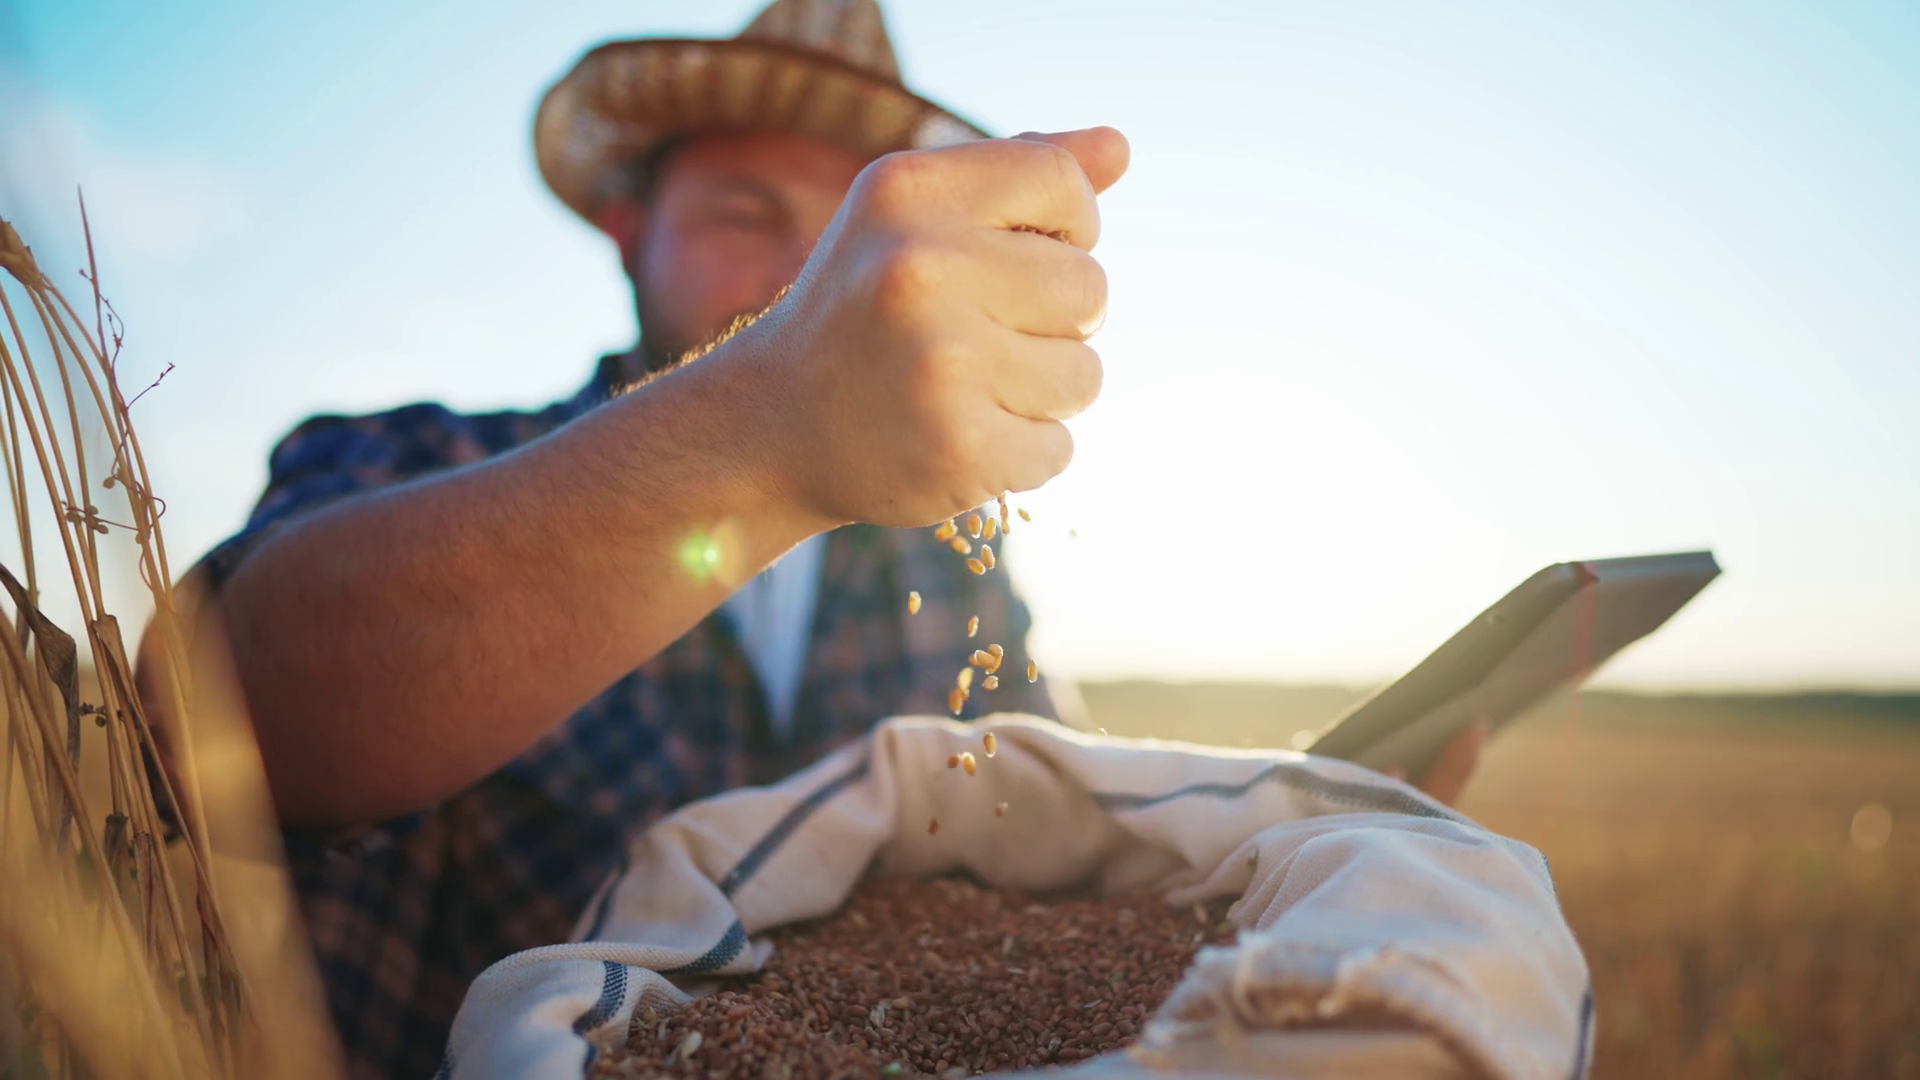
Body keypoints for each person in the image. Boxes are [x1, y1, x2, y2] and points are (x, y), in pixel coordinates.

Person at [142, 1, 1482, 1075]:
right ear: (628, 228)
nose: (807, 276)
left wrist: (1292, 806)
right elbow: (231, 716)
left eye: (844, 230)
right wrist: (764, 422)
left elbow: (1040, 816)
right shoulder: (422, 462)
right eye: (745, 212)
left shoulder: (936, 561)